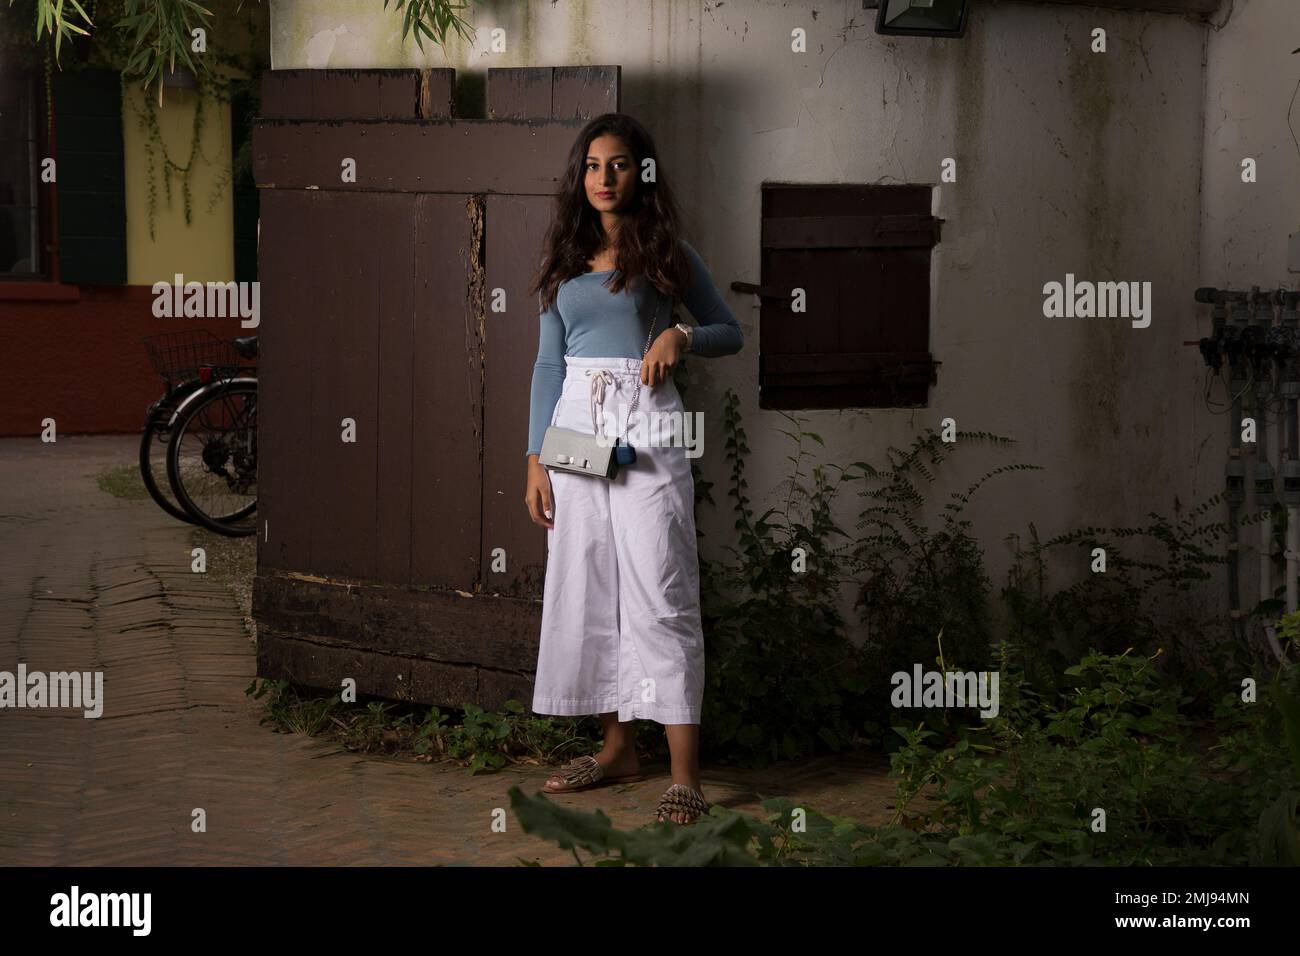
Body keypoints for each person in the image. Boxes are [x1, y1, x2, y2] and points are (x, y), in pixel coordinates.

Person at [523, 113, 743, 825]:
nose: (604, 178)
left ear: (640, 173)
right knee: (591, 586)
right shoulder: (564, 259)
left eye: (618, 165)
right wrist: (535, 457)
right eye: (592, 166)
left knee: (661, 586)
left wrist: (680, 333)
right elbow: (548, 365)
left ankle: (686, 774)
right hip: (577, 432)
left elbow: (729, 331)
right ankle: (617, 749)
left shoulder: (668, 253)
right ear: (579, 176)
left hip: (648, 427)